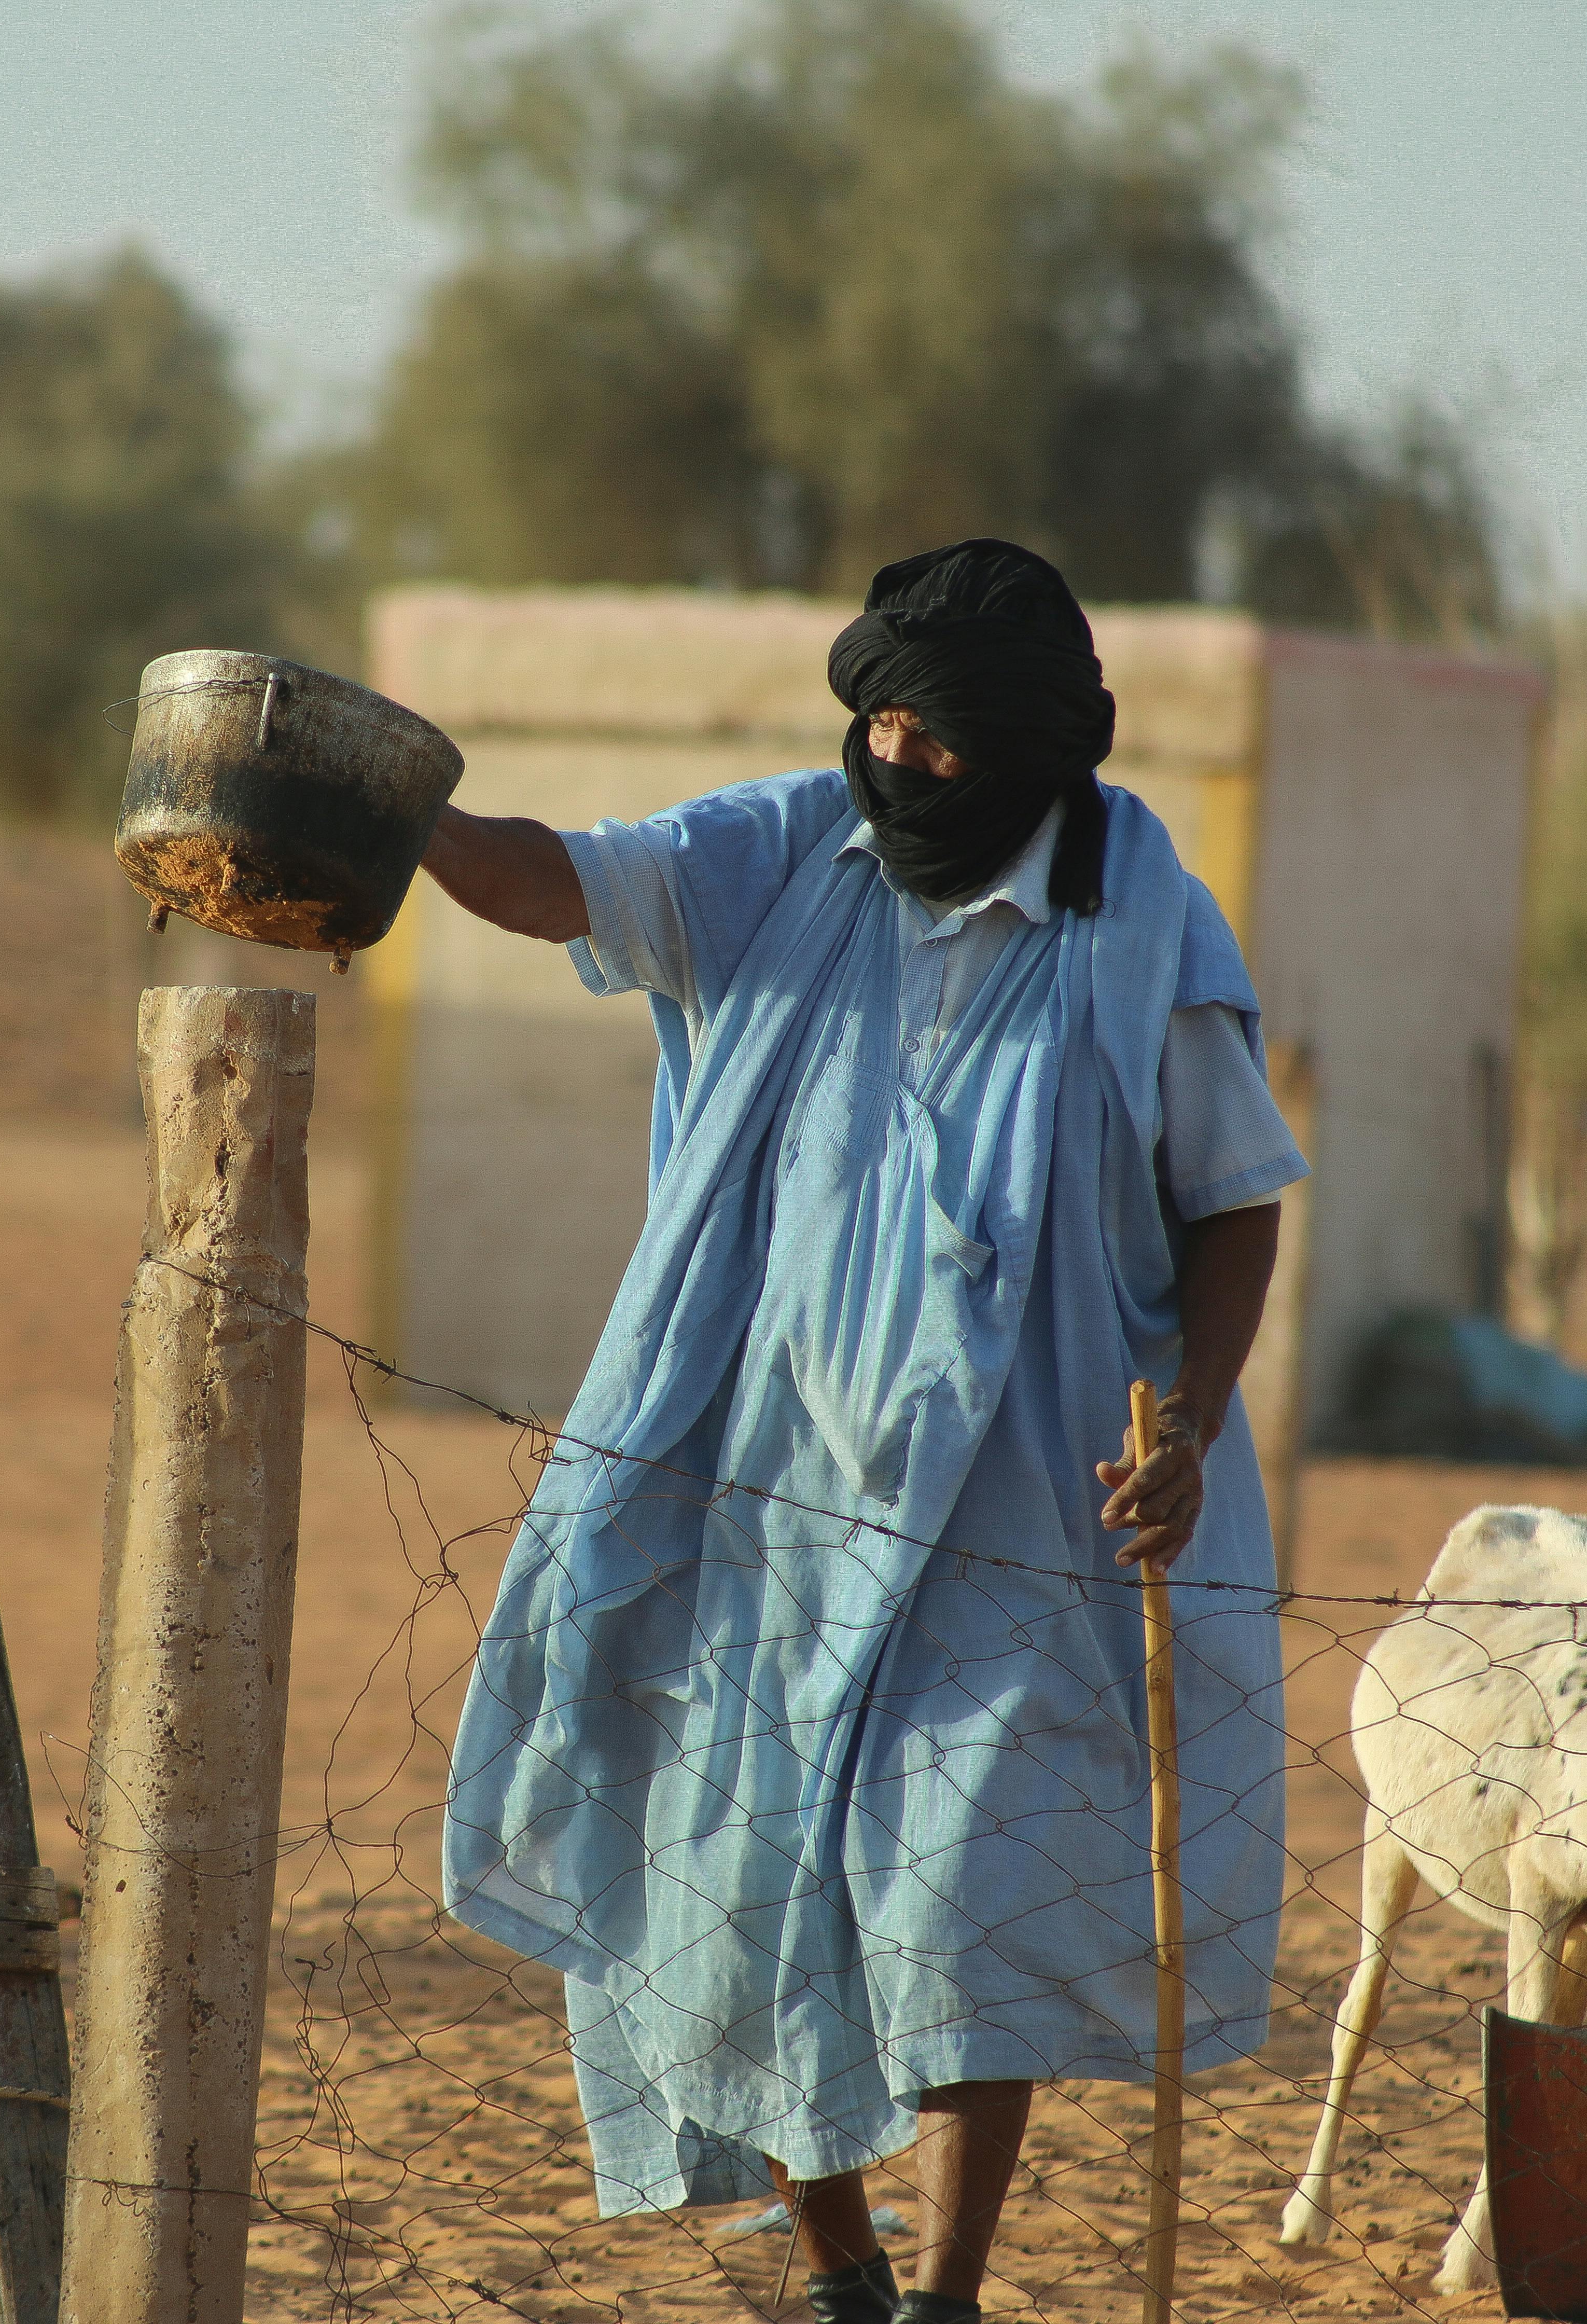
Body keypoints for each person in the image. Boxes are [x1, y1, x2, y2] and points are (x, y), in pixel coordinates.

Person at [424, 540, 1300, 2324]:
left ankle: (953, 2292)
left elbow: (1233, 1199)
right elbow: (558, 882)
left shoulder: (1143, 919)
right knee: (743, 1869)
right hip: (770, 1479)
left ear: (1038, 755)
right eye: (878, 726)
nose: (897, 768)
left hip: (1037, 1495)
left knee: (970, 1883)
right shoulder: (770, 854)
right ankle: (843, 2274)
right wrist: (399, 818)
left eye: (943, 746)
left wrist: (1194, 1423)